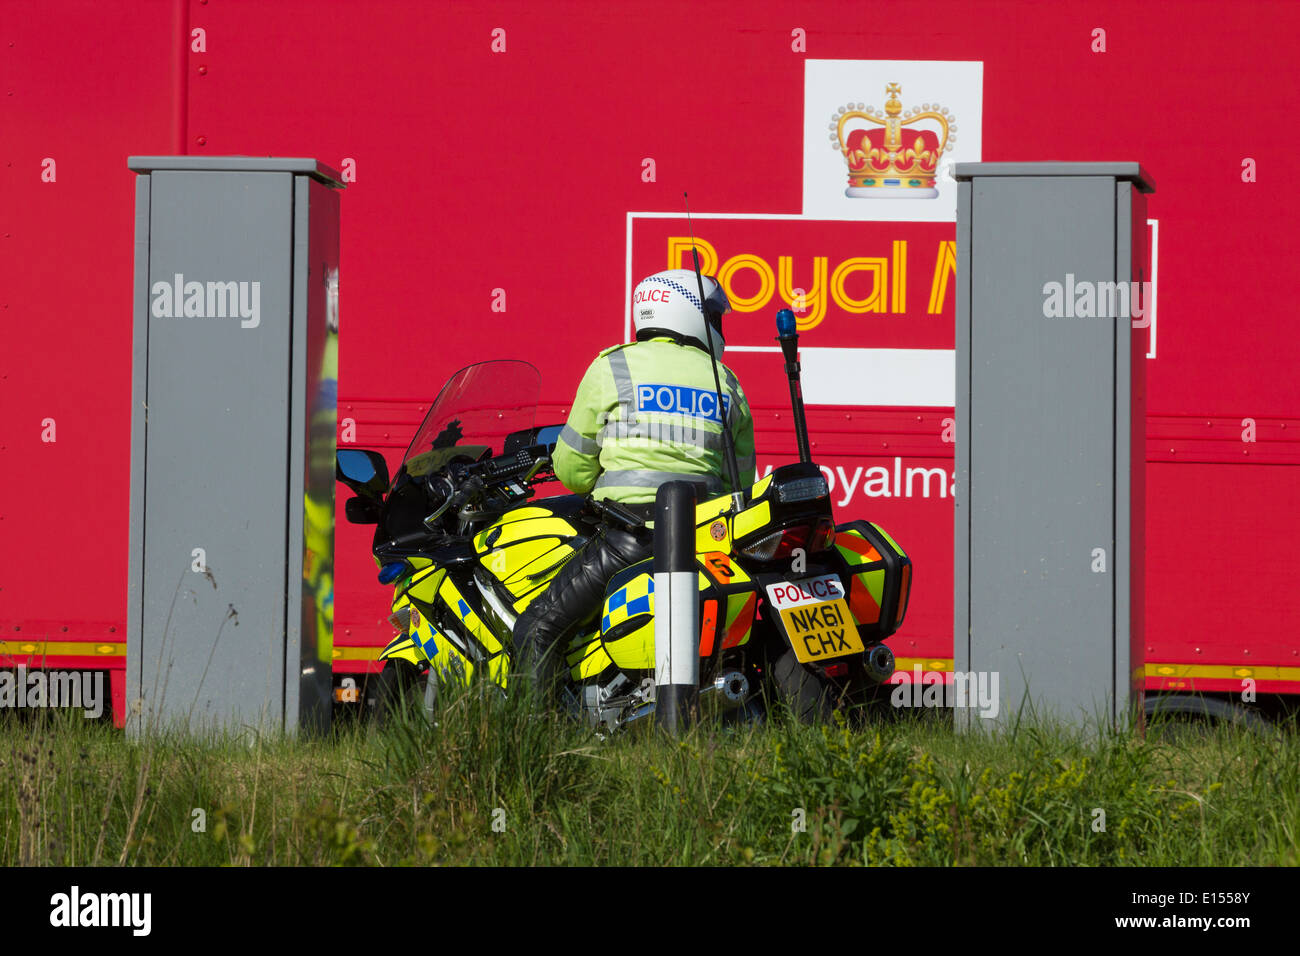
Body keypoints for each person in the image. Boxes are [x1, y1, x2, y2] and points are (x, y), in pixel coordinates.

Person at [512, 268, 756, 700]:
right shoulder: (726, 381)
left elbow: (571, 467)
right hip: (706, 540)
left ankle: (533, 742)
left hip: (629, 540)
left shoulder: (613, 366)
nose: (719, 326)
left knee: (540, 624)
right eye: (715, 315)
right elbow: (741, 481)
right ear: (690, 312)